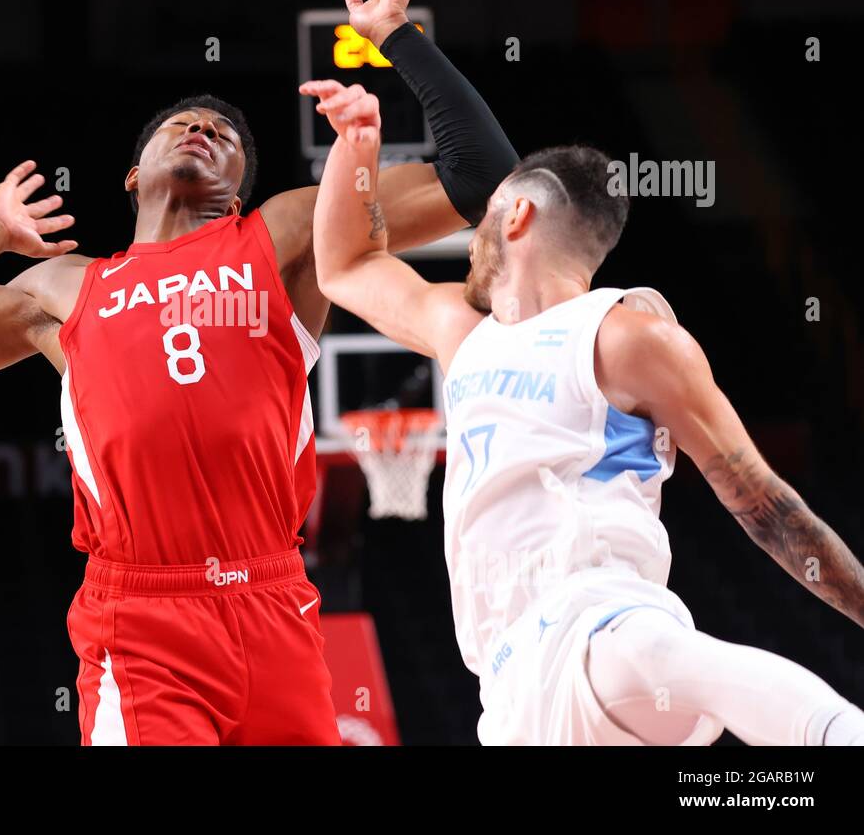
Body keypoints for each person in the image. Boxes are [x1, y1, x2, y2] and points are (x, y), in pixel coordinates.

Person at [0, 0, 517, 744]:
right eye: (184, 124)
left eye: (226, 135)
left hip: (273, 601)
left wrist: (396, 40)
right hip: (142, 619)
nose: (204, 130)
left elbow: (483, 177)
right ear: (134, 175)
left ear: (239, 184)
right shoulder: (65, 289)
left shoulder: (284, 234)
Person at [305, 79, 864, 744]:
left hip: (600, 615)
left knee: (664, 661)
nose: (475, 235)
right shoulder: (459, 331)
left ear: (515, 217)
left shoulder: (628, 336)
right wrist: (356, 147)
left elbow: (768, 508)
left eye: (484, 217)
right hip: (509, 680)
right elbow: (343, 265)